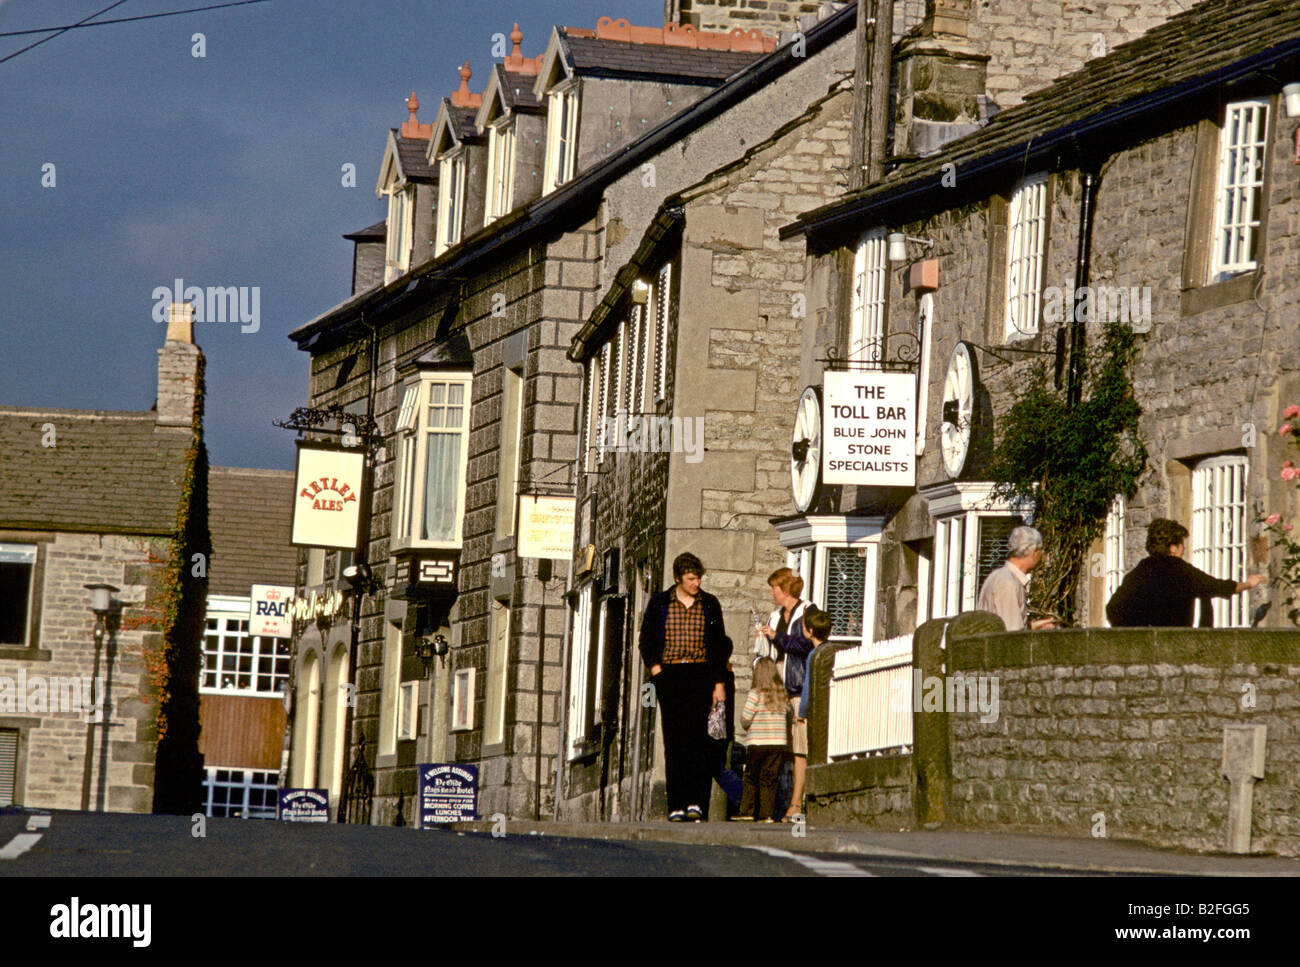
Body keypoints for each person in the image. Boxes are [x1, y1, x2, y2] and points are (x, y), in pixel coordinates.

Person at [639, 551, 729, 822]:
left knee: (699, 741)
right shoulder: (660, 603)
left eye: (698, 578)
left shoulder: (709, 604)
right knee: (675, 741)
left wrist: (718, 683)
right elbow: (646, 640)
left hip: (701, 674)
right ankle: (676, 805)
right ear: (678, 578)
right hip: (671, 674)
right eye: (690, 579)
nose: (696, 583)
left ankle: (696, 803)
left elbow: (719, 645)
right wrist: (657, 671)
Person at [1106, 518, 1265, 627]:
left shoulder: (1139, 572)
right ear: (1173, 548)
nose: (1184, 548)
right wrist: (1248, 584)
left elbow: (1113, 608)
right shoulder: (1181, 571)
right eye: (1182, 544)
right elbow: (1216, 586)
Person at [757, 567, 815, 821]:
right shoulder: (775, 615)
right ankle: (774, 803)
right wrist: (764, 641)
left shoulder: (807, 611)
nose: (771, 593)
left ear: (786, 589)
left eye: (774, 588)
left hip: (796, 685)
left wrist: (777, 637)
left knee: (799, 747)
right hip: (775, 685)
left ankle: (796, 803)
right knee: (776, 744)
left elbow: (807, 645)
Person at [735, 658, 790, 822]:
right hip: (777, 743)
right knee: (770, 779)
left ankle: (747, 811)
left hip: (757, 741)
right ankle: (767, 814)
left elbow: (746, 718)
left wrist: (746, 726)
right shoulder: (781, 695)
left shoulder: (755, 694)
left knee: (751, 777)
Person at [976, 525, 1055, 631]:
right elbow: (1012, 636)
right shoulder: (1008, 583)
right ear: (1034, 552)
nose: (1042, 556)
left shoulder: (996, 576)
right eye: (1041, 551)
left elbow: (1005, 626)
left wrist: (1032, 627)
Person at [798, 607, 834, 723]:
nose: (802, 629)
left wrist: (802, 713)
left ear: (811, 631)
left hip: (819, 710)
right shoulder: (832, 650)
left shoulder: (814, 655)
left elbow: (809, 686)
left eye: (804, 626)